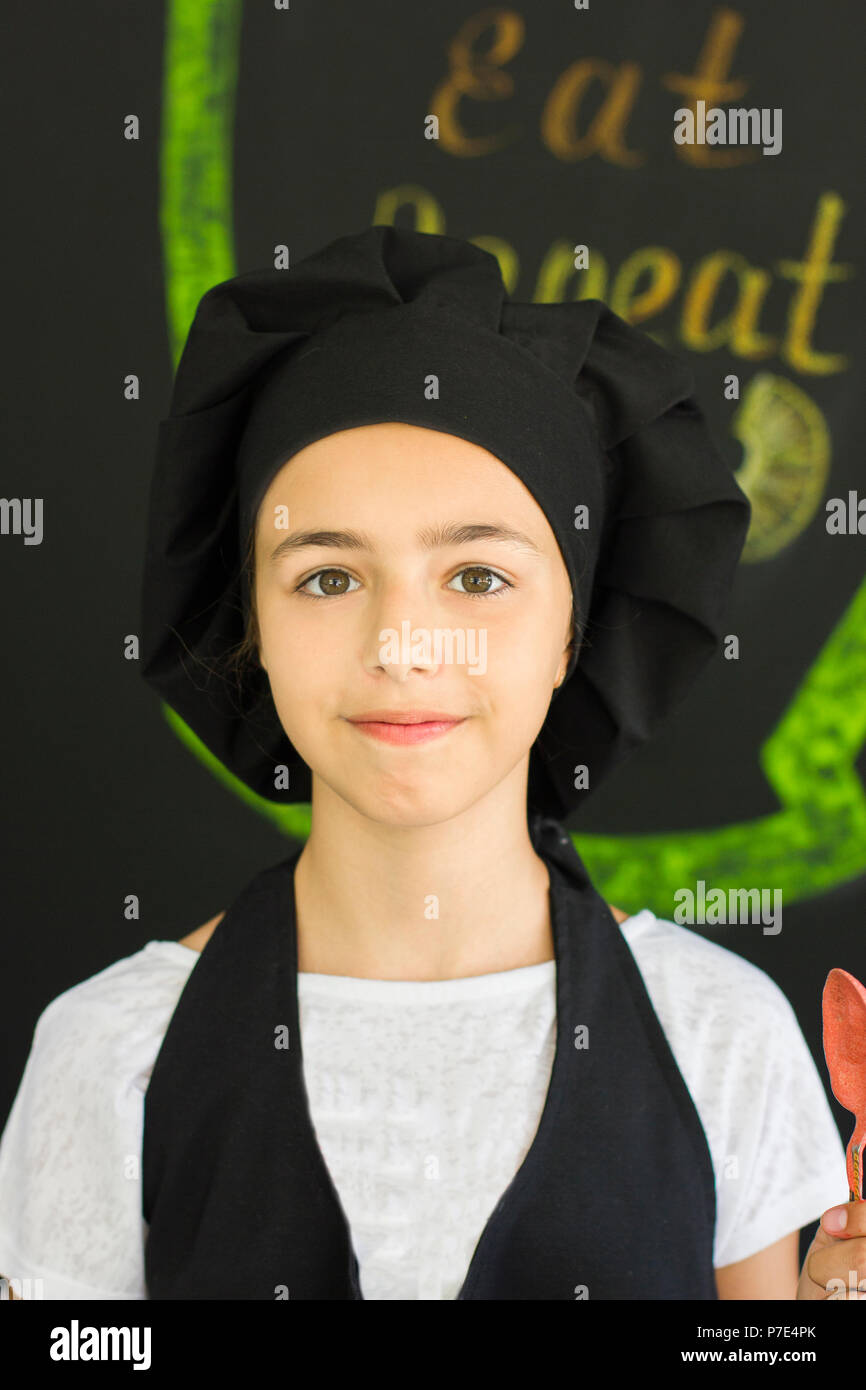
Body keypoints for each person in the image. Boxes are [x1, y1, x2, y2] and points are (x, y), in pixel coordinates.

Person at [0, 227, 852, 1300]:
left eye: (478, 578)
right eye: (325, 578)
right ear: (250, 622)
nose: (402, 647)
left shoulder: (718, 1036)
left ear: (569, 633)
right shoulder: (108, 1057)